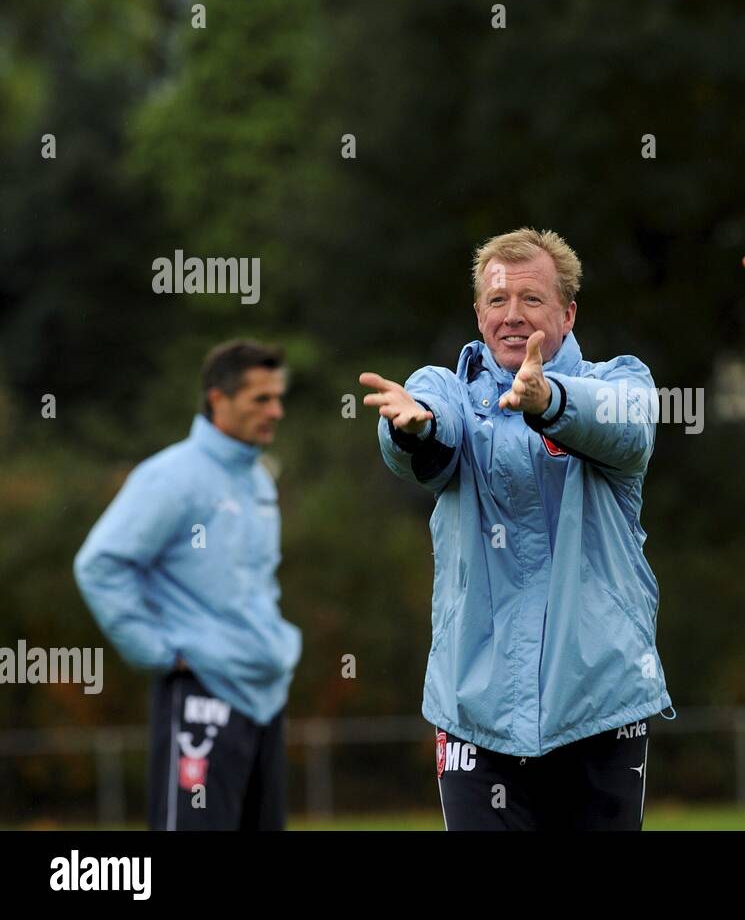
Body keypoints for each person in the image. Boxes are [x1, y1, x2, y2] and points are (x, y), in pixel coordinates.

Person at [359, 227, 670, 830]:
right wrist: (412, 429)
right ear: (479, 314)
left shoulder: (620, 382)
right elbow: (431, 430)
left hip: (599, 701)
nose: (513, 316)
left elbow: (626, 426)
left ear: (568, 312)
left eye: (531, 299)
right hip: (474, 707)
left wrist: (549, 400)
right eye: (498, 301)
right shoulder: (443, 389)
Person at [74, 340, 300, 830]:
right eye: (260, 399)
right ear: (218, 399)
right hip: (200, 689)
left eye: (278, 397)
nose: (275, 411)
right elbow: (100, 564)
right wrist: (157, 651)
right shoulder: (170, 477)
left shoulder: (259, 480)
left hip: (263, 695)